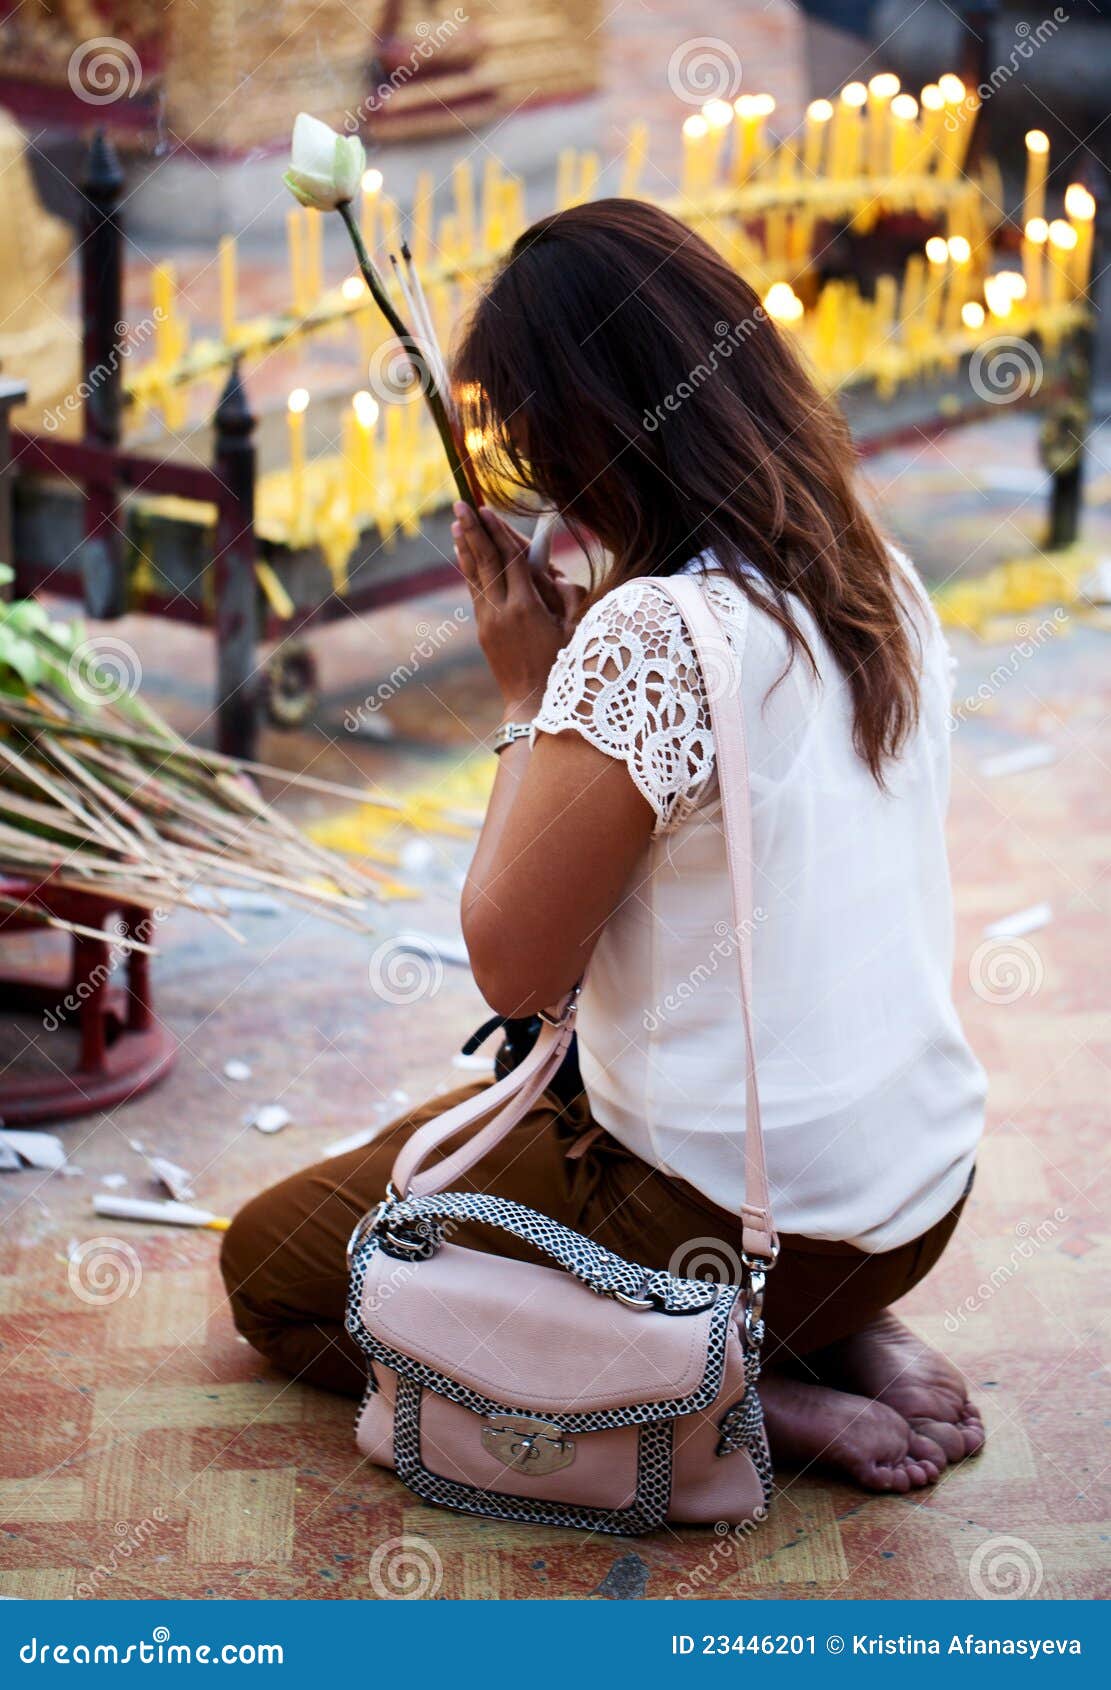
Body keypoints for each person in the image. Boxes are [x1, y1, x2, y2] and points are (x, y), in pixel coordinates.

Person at [222, 199, 987, 1494]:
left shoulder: (650, 635)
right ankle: (833, 1329)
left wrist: (532, 693)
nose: (535, 484)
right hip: (912, 1199)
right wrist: (589, 677)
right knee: (447, 1146)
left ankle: (728, 1399)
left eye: (534, 446)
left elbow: (512, 971)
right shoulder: (873, 577)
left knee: (278, 1264)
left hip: (730, 1222)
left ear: (589, 440)